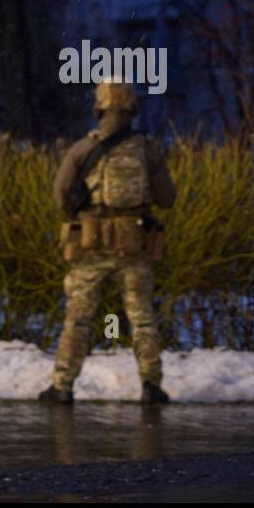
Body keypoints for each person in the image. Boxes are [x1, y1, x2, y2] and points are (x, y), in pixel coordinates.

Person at [40, 81, 176, 405]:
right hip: (134, 245)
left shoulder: (83, 149)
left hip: (91, 244)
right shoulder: (148, 148)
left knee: (78, 318)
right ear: (132, 108)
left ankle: (62, 386)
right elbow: (167, 198)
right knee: (141, 317)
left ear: (98, 107)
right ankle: (151, 386)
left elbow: (60, 195)